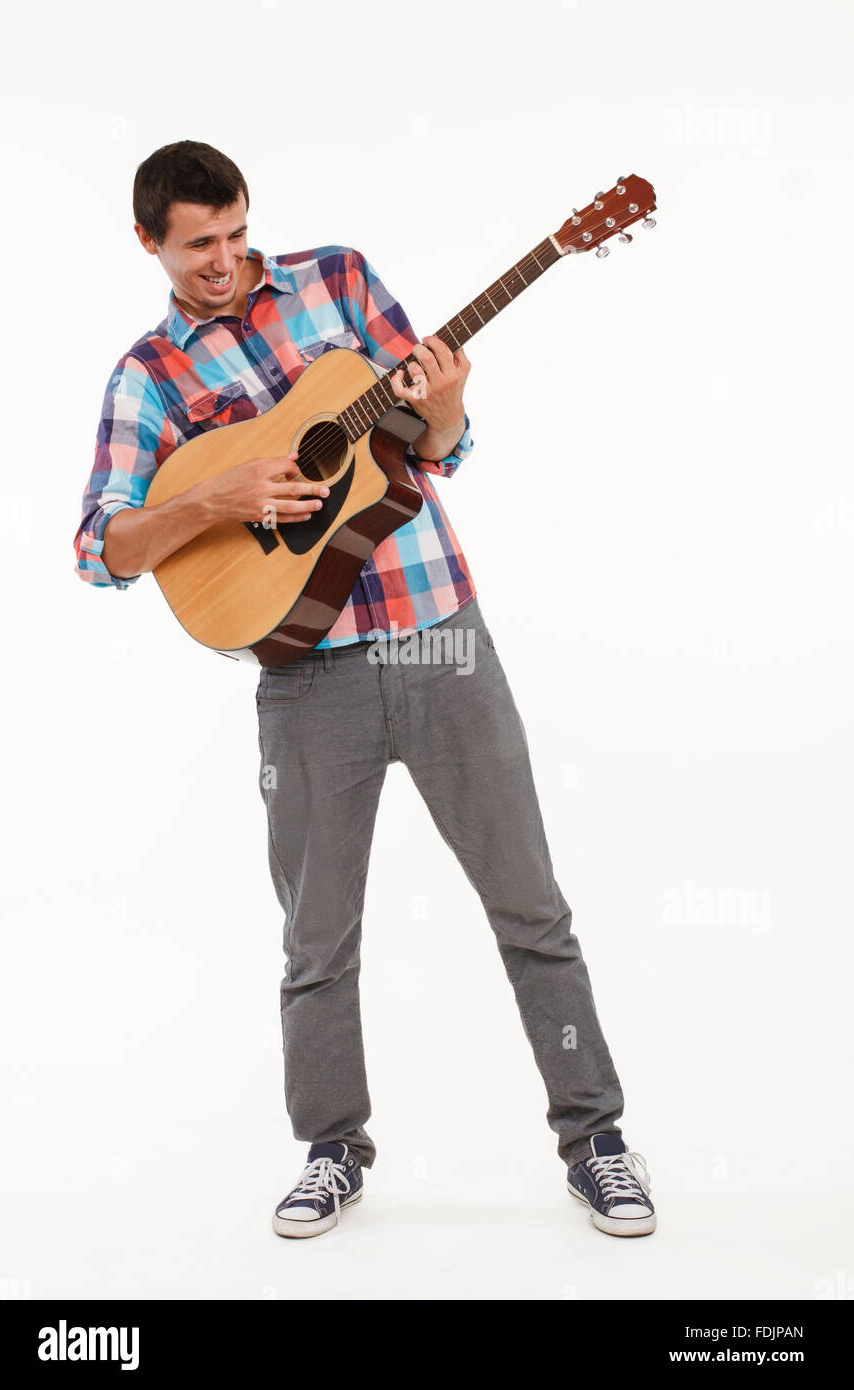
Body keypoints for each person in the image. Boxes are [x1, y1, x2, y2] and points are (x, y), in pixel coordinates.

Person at [74, 140, 656, 1241]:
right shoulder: (147, 378)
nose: (226, 258)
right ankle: (332, 1146)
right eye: (199, 244)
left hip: (440, 635)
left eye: (237, 233)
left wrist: (444, 404)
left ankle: (597, 1139)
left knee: (529, 904)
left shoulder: (336, 281)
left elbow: (439, 444)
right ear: (149, 242)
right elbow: (103, 547)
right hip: (304, 676)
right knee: (316, 932)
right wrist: (216, 499)